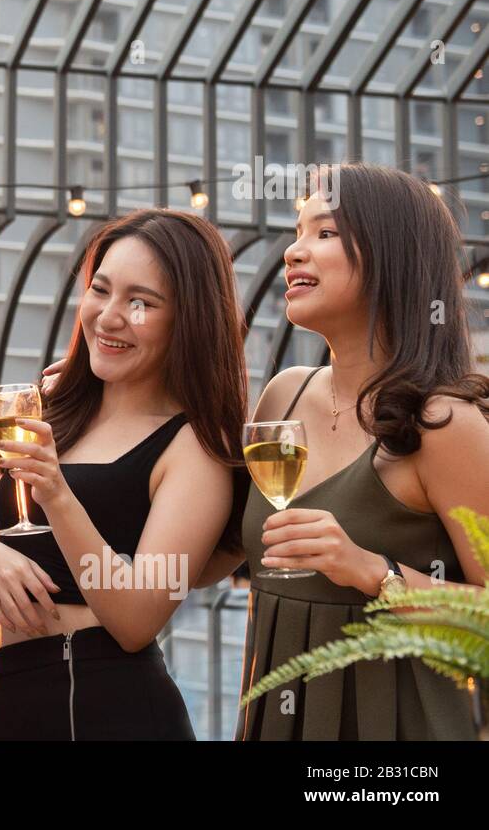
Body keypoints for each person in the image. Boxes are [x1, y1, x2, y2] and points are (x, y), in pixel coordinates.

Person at [199, 162, 488, 740]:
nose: (293, 252)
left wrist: (373, 572)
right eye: (297, 231)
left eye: (324, 233)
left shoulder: (446, 424)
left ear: (391, 257)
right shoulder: (284, 395)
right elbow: (212, 553)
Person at [0, 209, 248, 740]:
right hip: (15, 705)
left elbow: (137, 620)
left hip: (117, 712)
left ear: (187, 318)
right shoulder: (47, 408)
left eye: (140, 302)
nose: (109, 316)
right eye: (100, 290)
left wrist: (56, 491)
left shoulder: (195, 447)